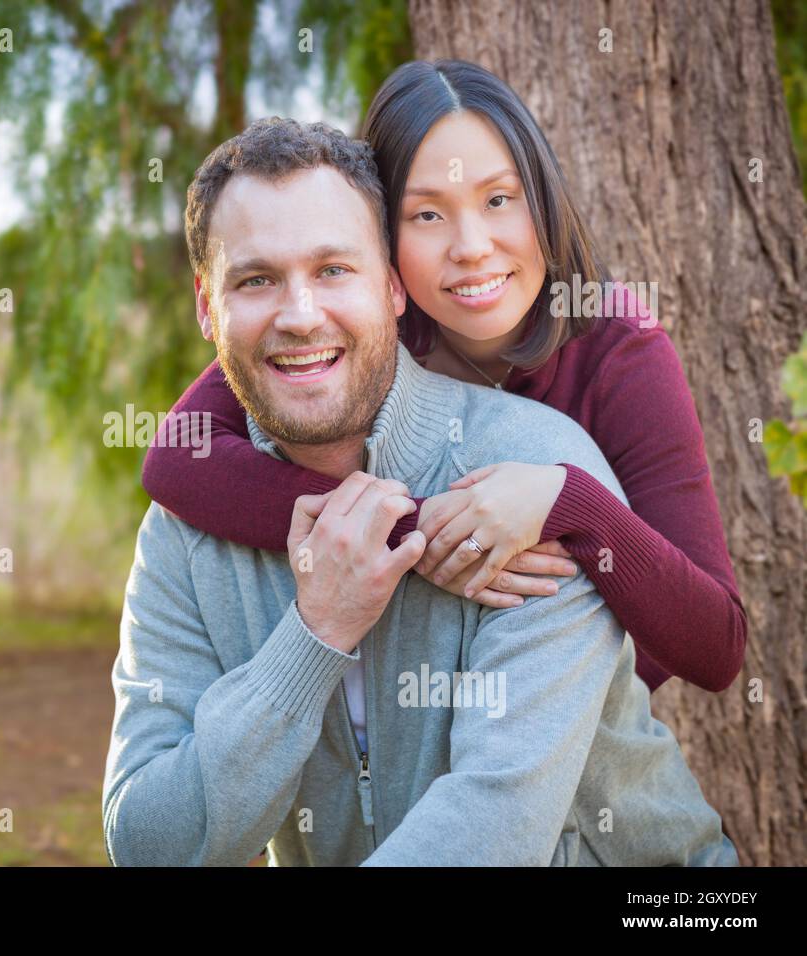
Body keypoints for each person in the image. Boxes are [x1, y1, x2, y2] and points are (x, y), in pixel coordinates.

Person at [101, 116, 738, 866]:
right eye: (256, 279)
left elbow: (493, 826)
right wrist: (316, 632)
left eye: (334, 269)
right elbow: (147, 848)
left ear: (394, 288)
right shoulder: (184, 532)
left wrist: (570, 507)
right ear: (208, 310)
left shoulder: (536, 465)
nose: (300, 315)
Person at [141, 60, 746, 695]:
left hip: (569, 718)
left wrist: (569, 504)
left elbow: (717, 646)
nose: (472, 246)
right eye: (427, 214)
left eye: (498, 199)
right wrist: (426, 536)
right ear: (382, 246)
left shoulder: (618, 349)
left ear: (542, 197)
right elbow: (175, 460)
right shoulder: (359, 330)